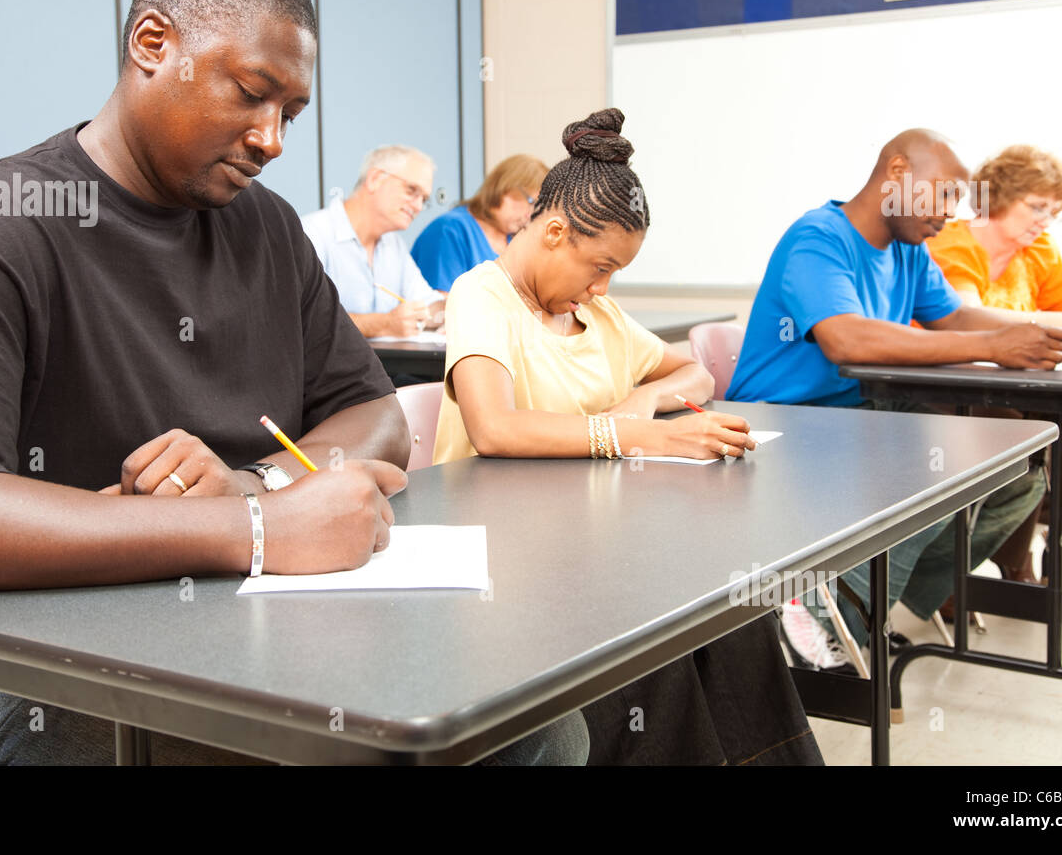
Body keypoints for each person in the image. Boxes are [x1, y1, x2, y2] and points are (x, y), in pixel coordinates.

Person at [0, 0, 586, 766]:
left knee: (529, 727)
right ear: (152, 45)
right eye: (252, 94)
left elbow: (373, 412)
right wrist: (253, 528)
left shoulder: (267, 228)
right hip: (10, 669)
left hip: (231, 612)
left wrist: (255, 484)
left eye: (290, 115)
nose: (273, 140)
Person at [435, 107, 823, 765]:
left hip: (589, 540)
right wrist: (642, 436)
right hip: (508, 560)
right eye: (599, 267)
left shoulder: (601, 316)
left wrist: (644, 400)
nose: (602, 287)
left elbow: (696, 372)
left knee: (734, 611)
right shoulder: (483, 296)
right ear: (553, 232)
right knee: (658, 640)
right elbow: (494, 428)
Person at [727, 129, 1062, 666]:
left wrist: (1049, 329)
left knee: (1019, 468)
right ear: (898, 173)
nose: (952, 213)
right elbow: (847, 339)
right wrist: (995, 346)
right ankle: (832, 612)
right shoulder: (818, 237)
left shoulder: (908, 252)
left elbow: (955, 316)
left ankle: (858, 602)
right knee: (939, 469)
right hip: (787, 420)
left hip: (862, 411)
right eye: (945, 194)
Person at [926, 144, 1062, 582]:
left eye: (1054, 211)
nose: (1045, 220)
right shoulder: (953, 243)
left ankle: (1015, 535)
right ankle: (997, 564)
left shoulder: (1038, 249)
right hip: (948, 390)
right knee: (1028, 443)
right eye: (1037, 207)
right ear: (998, 198)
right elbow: (966, 315)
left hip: (1019, 391)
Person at [300, 146, 444, 339]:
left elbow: (428, 305)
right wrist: (383, 324)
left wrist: (449, 310)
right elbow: (304, 317)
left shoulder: (394, 244)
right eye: (411, 190)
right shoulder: (312, 234)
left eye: (424, 199)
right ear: (375, 179)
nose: (418, 206)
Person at [411, 154, 547, 291]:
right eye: (531, 202)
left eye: (537, 207)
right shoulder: (450, 231)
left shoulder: (515, 240)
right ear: (505, 188)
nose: (530, 214)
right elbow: (442, 300)